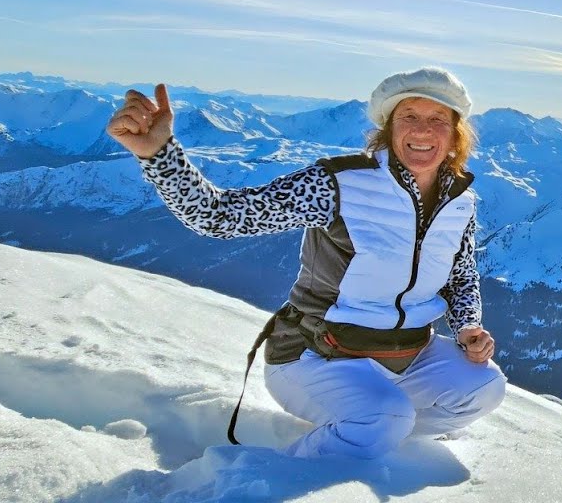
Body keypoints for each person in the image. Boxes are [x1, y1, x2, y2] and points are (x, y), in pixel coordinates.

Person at [106, 67, 506, 459]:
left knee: (483, 387)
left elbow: (460, 276)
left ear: (455, 134)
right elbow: (220, 216)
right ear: (389, 128)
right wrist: (159, 155)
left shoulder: (461, 202)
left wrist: (468, 326)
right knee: (385, 419)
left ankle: (376, 442)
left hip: (406, 355)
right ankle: (293, 469)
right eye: (409, 117)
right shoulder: (337, 185)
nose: (422, 130)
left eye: (437, 119)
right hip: (316, 354)